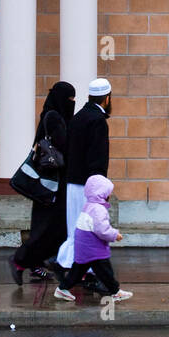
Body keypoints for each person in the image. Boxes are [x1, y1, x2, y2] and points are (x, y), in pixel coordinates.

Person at [44, 76, 112, 281]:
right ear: (106, 99)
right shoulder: (98, 121)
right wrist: (100, 190)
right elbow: (97, 159)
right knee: (89, 230)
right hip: (88, 185)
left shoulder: (79, 116)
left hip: (73, 182)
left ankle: (66, 263)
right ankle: (88, 273)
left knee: (75, 228)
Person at [9, 81, 75, 285]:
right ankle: (20, 261)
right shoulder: (54, 117)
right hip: (52, 185)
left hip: (50, 184)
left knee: (49, 228)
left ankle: (36, 264)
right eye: (70, 99)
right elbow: (64, 145)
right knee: (48, 228)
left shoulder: (52, 115)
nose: (72, 103)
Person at [53, 174, 132, 302]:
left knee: (77, 271)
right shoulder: (98, 209)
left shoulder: (88, 205)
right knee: (106, 272)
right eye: (108, 193)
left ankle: (62, 288)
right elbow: (102, 229)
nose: (110, 195)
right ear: (102, 194)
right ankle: (115, 291)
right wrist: (115, 234)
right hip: (93, 248)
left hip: (83, 245)